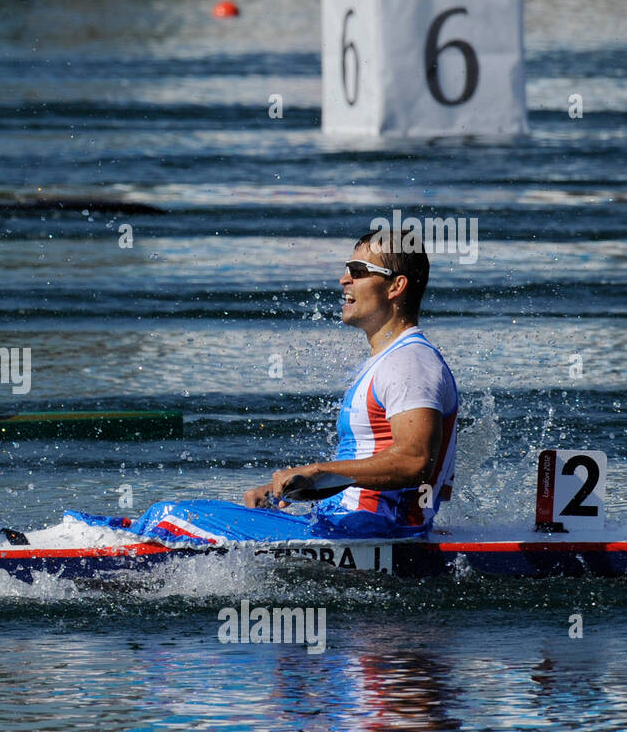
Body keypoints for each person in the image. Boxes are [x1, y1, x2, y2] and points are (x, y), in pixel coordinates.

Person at [71, 228, 458, 543]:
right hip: (346, 525)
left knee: (168, 517)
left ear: (395, 287)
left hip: (372, 533)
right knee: (165, 519)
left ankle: (83, 545)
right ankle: (88, 534)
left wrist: (319, 470)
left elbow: (414, 461)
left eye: (357, 270)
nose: (344, 279)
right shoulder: (391, 359)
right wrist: (292, 490)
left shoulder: (410, 362)